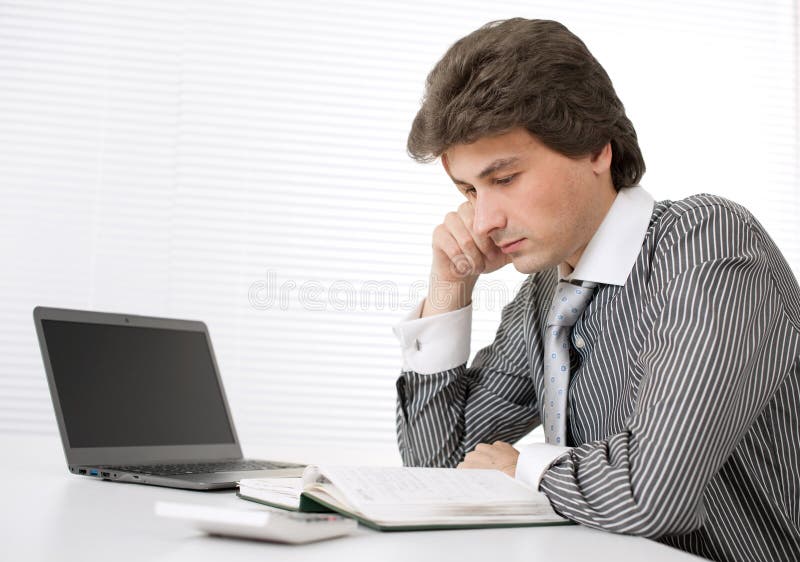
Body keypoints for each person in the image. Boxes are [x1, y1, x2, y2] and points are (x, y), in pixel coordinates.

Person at [392, 18, 800, 562]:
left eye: (505, 178)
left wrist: (524, 469)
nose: (483, 220)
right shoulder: (546, 291)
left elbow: (655, 494)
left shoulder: (709, 243)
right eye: (469, 190)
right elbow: (444, 469)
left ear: (595, 150)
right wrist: (449, 288)